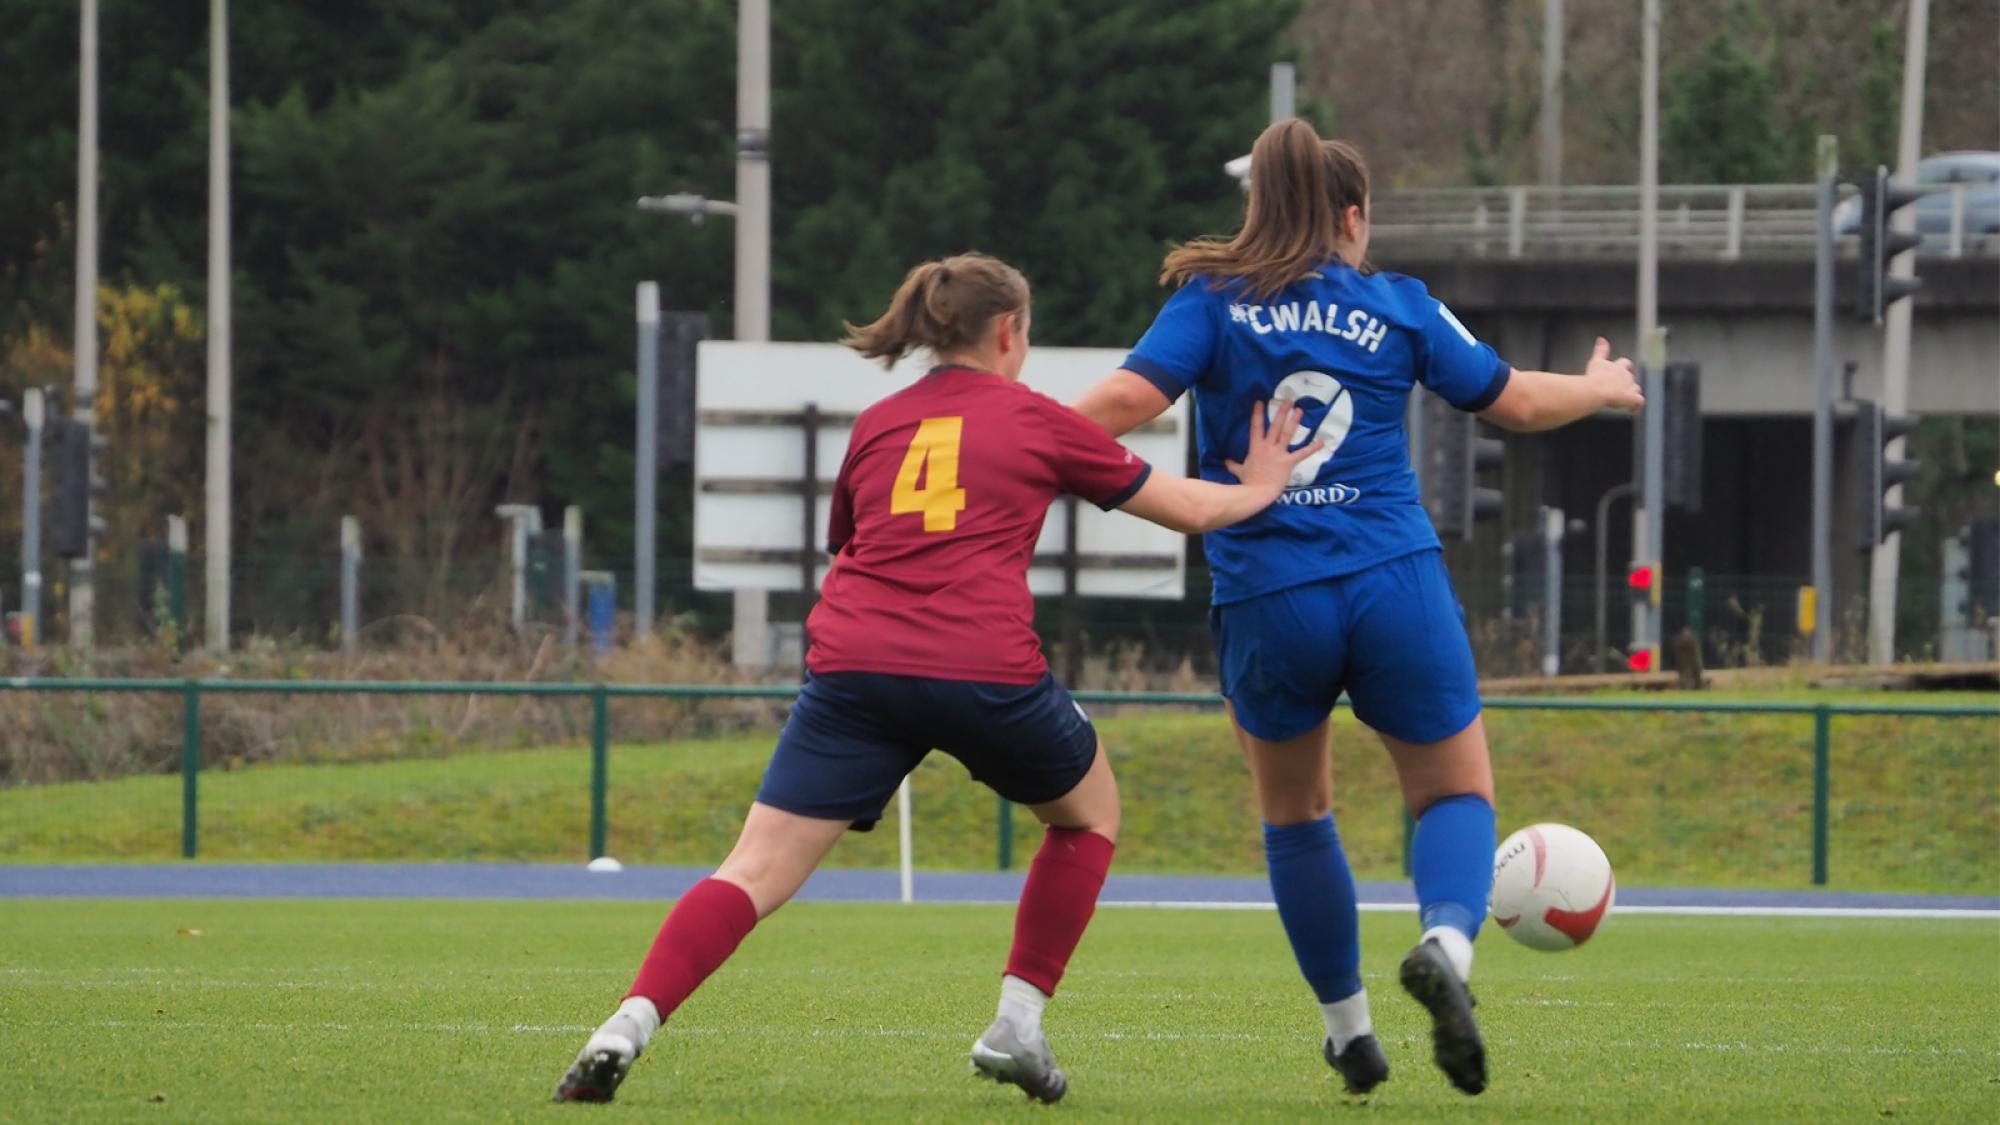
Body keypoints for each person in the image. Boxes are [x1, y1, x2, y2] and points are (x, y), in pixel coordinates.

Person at [554, 252, 1318, 1105]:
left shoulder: (878, 423)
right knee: (1090, 813)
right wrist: (1263, 481)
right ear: (1007, 331)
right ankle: (1017, 1022)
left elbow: (846, 542)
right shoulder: (1038, 419)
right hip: (983, 667)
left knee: (752, 870)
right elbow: (1188, 509)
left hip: (853, 669)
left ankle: (628, 1020)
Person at [1071, 120, 1644, 1097]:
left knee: (1295, 814)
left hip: (1268, 597)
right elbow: (1509, 400)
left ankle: (1349, 1033)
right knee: (1453, 792)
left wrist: (1017, 440)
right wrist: (1596, 387)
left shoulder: (1210, 303)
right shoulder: (1395, 303)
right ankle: (1446, 950)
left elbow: (1117, 405)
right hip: (1392, 583)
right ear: (1349, 215)